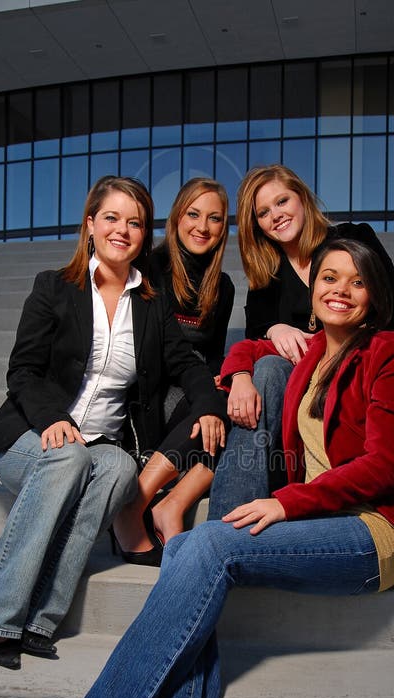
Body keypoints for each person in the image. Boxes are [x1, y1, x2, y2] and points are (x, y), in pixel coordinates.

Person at [7, 239, 394, 698]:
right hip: (322, 521)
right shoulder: (313, 352)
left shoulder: (390, 353)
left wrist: (287, 502)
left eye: (356, 282)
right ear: (313, 289)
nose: (340, 290)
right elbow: (250, 348)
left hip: (376, 532)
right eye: (329, 277)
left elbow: (388, 465)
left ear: (374, 296)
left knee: (205, 545)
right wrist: (238, 375)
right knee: (189, 548)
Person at [0, 175, 224, 670]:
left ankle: (41, 619)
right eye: (111, 218)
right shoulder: (54, 287)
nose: (122, 230)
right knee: (69, 458)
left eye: (135, 223)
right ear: (90, 224)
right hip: (28, 437)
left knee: (119, 469)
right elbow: (22, 372)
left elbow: (186, 364)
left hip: (96, 446)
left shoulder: (151, 303)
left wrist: (211, 403)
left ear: (144, 236)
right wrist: (52, 419)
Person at [209, 164, 394, 593]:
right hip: (310, 370)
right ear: (256, 225)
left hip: (369, 354)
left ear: (302, 198)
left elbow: (388, 300)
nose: (275, 215)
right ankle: (229, 522)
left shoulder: (352, 237)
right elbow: (254, 336)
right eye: (263, 212)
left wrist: (338, 337)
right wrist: (270, 335)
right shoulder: (267, 275)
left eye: (282, 201)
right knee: (264, 370)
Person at [110, 178, 233, 552]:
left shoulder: (223, 287)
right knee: (215, 405)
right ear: (177, 217)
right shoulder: (149, 268)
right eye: (193, 214)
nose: (202, 226)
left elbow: (213, 354)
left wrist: (220, 380)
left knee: (238, 405)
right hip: (153, 393)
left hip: (194, 390)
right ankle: (136, 502)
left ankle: (173, 505)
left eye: (214, 218)